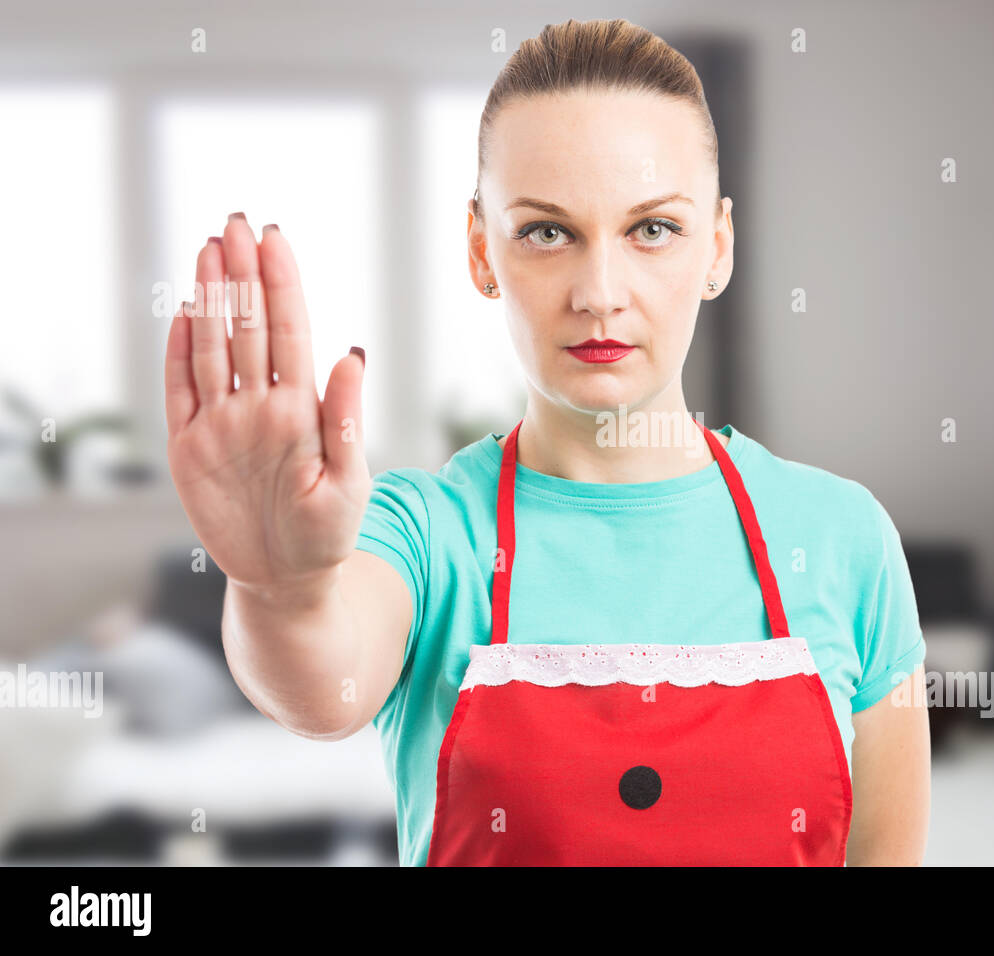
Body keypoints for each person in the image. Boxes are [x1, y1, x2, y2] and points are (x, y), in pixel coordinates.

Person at [164, 17, 929, 866]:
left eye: (653, 229)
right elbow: (319, 691)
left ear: (716, 247)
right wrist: (277, 586)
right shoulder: (427, 533)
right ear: (481, 250)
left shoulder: (843, 537)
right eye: (547, 231)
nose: (600, 292)